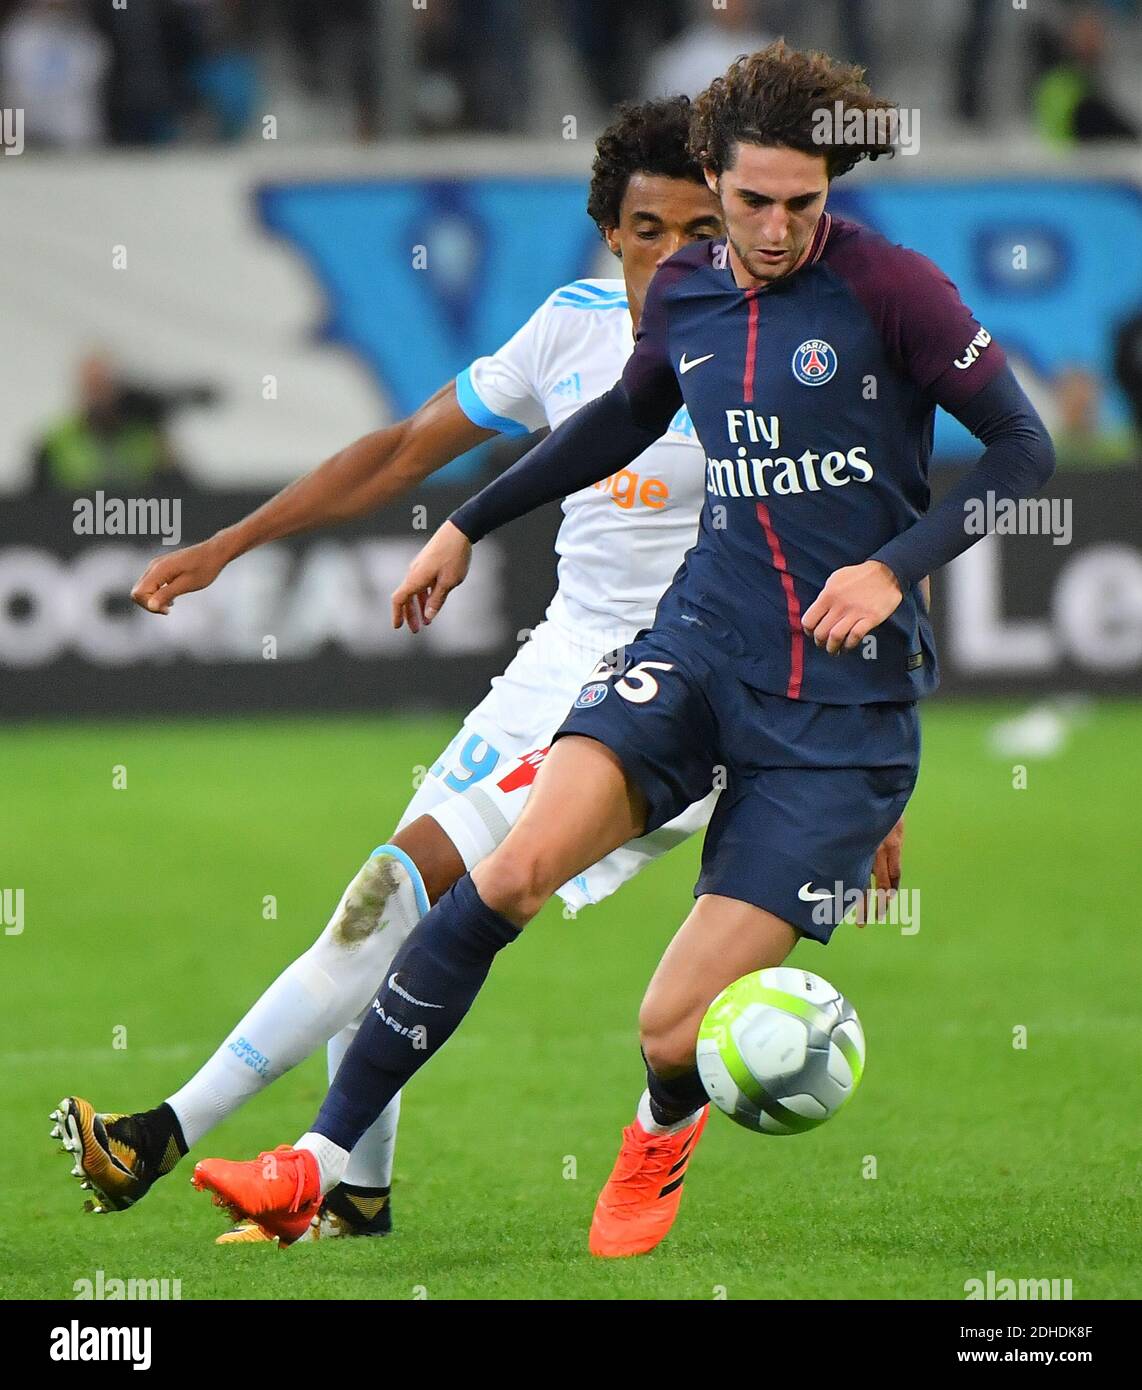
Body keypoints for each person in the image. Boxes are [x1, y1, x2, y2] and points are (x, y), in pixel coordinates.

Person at [189, 40, 1054, 1259]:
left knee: (667, 1029)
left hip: (837, 715)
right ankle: (315, 1166)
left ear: (830, 190)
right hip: (696, 650)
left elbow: (1022, 450)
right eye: (749, 200)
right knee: (503, 874)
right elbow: (613, 422)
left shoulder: (892, 290)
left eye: (800, 203)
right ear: (714, 175)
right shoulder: (692, 291)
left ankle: (659, 1126)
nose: (770, 227)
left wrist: (891, 565)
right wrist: (467, 522)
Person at [56, 96, 838, 1244]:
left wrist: (870, 756)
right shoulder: (569, 327)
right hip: (559, 661)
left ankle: (161, 1133)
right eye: (644, 230)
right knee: (382, 897)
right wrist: (227, 545)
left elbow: (855, 532)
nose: (670, 255)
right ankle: (357, 1191)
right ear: (607, 230)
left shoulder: (776, 346)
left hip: (682, 697)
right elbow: (400, 450)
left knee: (417, 884)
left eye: (695, 234)